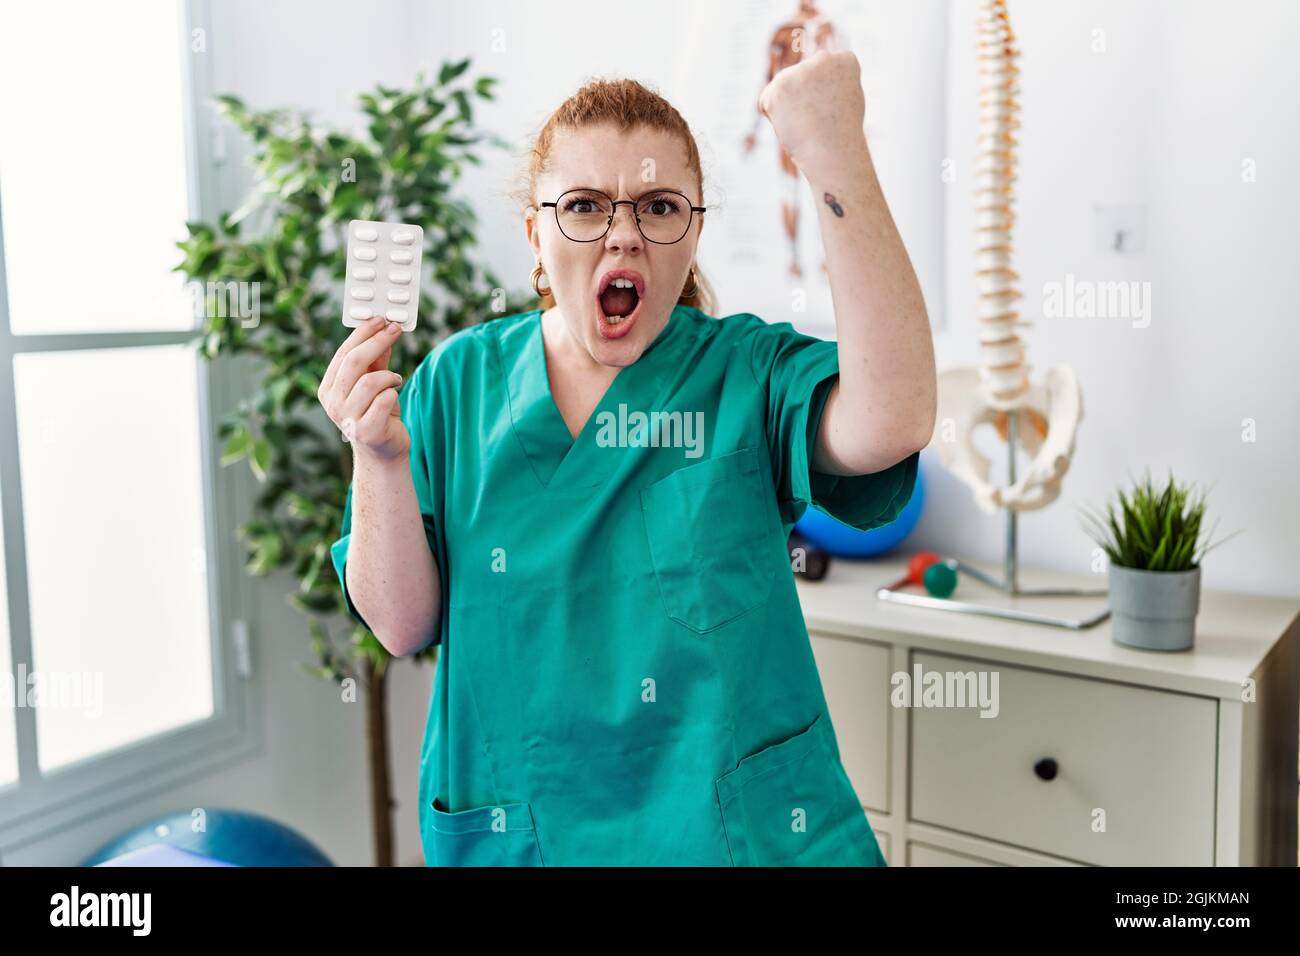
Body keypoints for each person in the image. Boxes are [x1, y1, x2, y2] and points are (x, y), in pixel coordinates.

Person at [319, 53, 936, 866]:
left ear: (695, 232)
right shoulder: (455, 385)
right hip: (527, 836)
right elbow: (401, 625)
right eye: (582, 206)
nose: (622, 234)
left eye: (658, 206)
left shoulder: (745, 373)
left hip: (738, 838)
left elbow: (894, 418)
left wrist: (833, 149)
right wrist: (378, 456)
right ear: (535, 234)